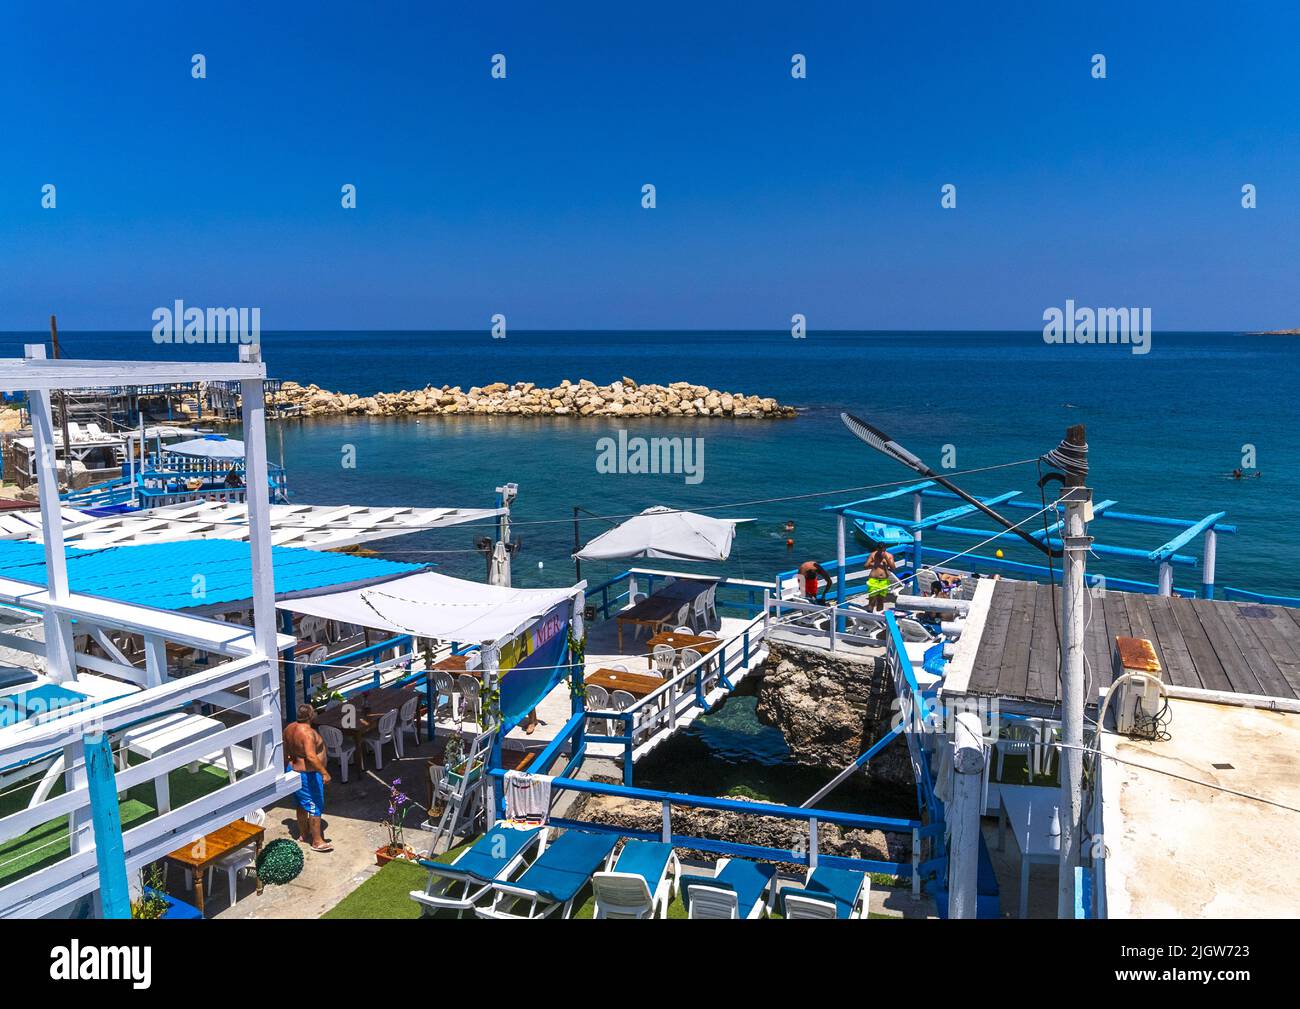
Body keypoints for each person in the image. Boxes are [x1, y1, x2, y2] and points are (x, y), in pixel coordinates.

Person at [284, 703, 333, 852]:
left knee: (301, 804)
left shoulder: (289, 728)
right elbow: (311, 756)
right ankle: (317, 841)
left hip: (293, 769)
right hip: (307, 775)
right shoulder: (307, 733)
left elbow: (285, 747)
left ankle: (304, 834)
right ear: (311, 716)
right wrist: (324, 772)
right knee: (315, 806)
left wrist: (291, 757)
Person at [865, 544, 896, 612]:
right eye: (880, 550)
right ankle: (869, 616)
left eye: (883, 550)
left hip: (884, 581)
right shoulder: (873, 555)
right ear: (877, 549)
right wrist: (876, 563)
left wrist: (886, 560)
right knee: (872, 600)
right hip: (873, 580)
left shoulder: (889, 556)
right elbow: (866, 566)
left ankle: (879, 617)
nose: (882, 552)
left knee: (881, 601)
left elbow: (893, 567)